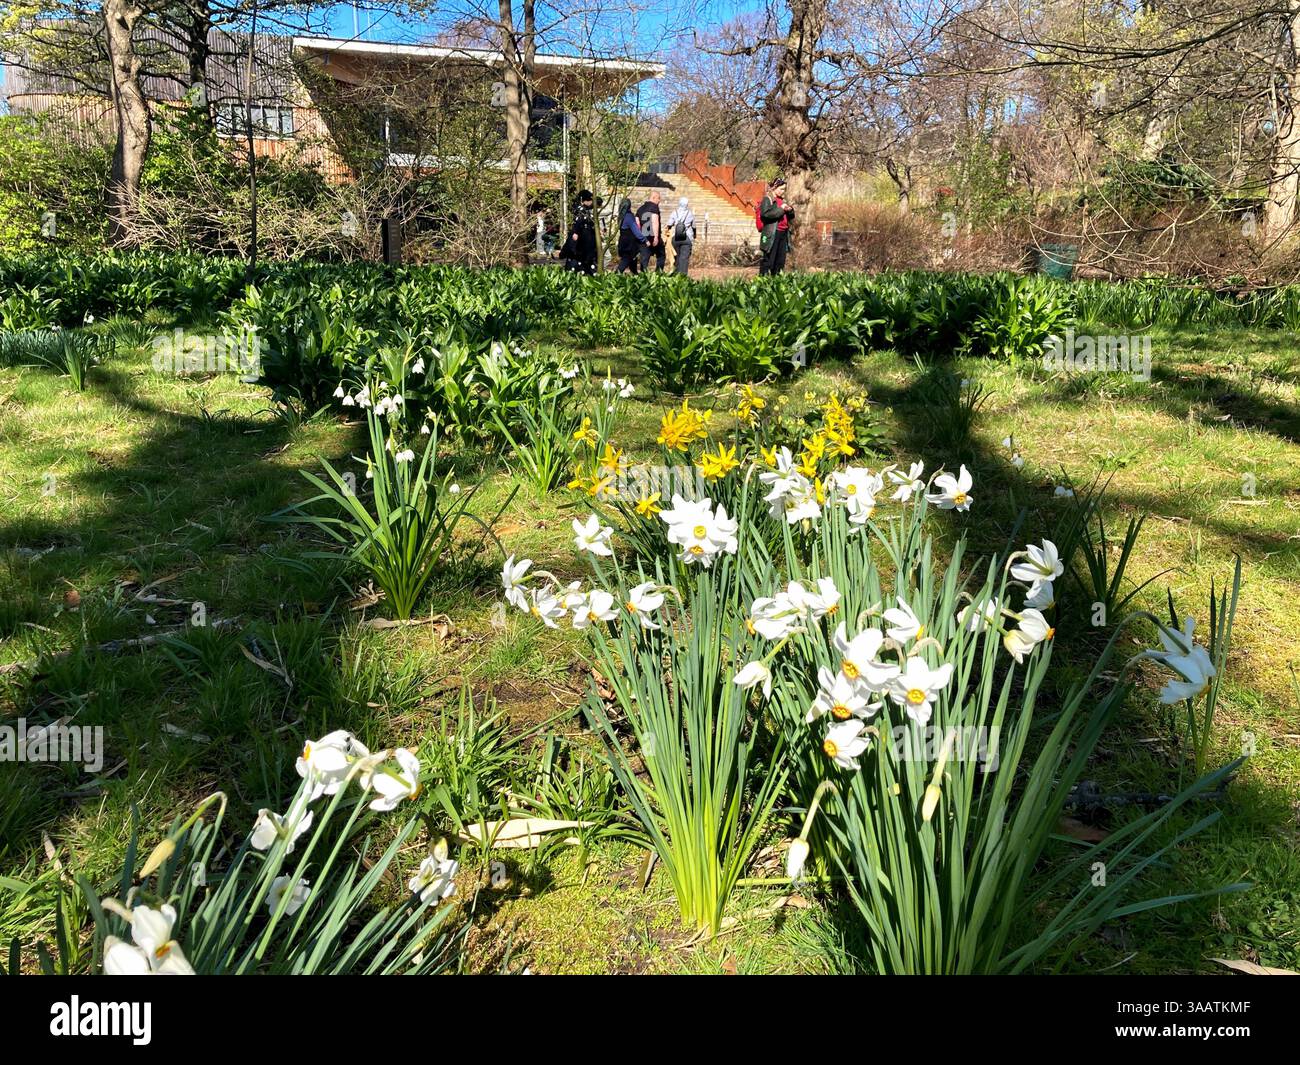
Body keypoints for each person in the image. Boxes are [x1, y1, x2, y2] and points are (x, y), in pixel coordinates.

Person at [758, 176, 794, 276]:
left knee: (780, 261)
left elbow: (791, 217)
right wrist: (781, 209)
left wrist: (790, 210)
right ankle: (763, 281)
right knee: (769, 260)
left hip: (783, 234)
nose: (783, 191)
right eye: (781, 189)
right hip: (773, 234)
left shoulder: (783, 200)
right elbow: (766, 215)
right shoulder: (767, 199)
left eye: (784, 189)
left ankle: (776, 283)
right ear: (774, 187)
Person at [558, 189, 597, 275]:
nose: (591, 202)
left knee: (584, 257)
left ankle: (584, 271)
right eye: (589, 200)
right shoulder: (580, 210)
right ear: (584, 201)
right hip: (582, 237)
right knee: (579, 255)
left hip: (586, 237)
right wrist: (576, 232)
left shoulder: (586, 210)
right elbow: (578, 222)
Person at [665, 196, 696, 277]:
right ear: (687, 204)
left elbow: (669, 224)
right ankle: (683, 276)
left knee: (676, 256)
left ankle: (675, 274)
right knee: (684, 258)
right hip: (687, 237)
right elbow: (694, 226)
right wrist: (695, 235)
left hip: (675, 237)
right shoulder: (690, 213)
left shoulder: (674, 212)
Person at [616, 197, 647, 274]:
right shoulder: (629, 216)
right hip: (629, 243)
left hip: (623, 240)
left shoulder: (620, 216)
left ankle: (635, 275)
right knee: (627, 259)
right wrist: (644, 239)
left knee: (633, 260)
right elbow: (636, 230)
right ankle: (616, 274)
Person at [637, 190, 665, 273]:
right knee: (661, 255)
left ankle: (643, 275)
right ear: (653, 198)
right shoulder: (654, 207)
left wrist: (640, 236)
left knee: (644, 258)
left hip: (643, 236)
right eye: (658, 198)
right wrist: (656, 237)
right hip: (652, 236)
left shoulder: (640, 208)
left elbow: (637, 223)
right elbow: (654, 221)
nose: (659, 200)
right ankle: (658, 273)